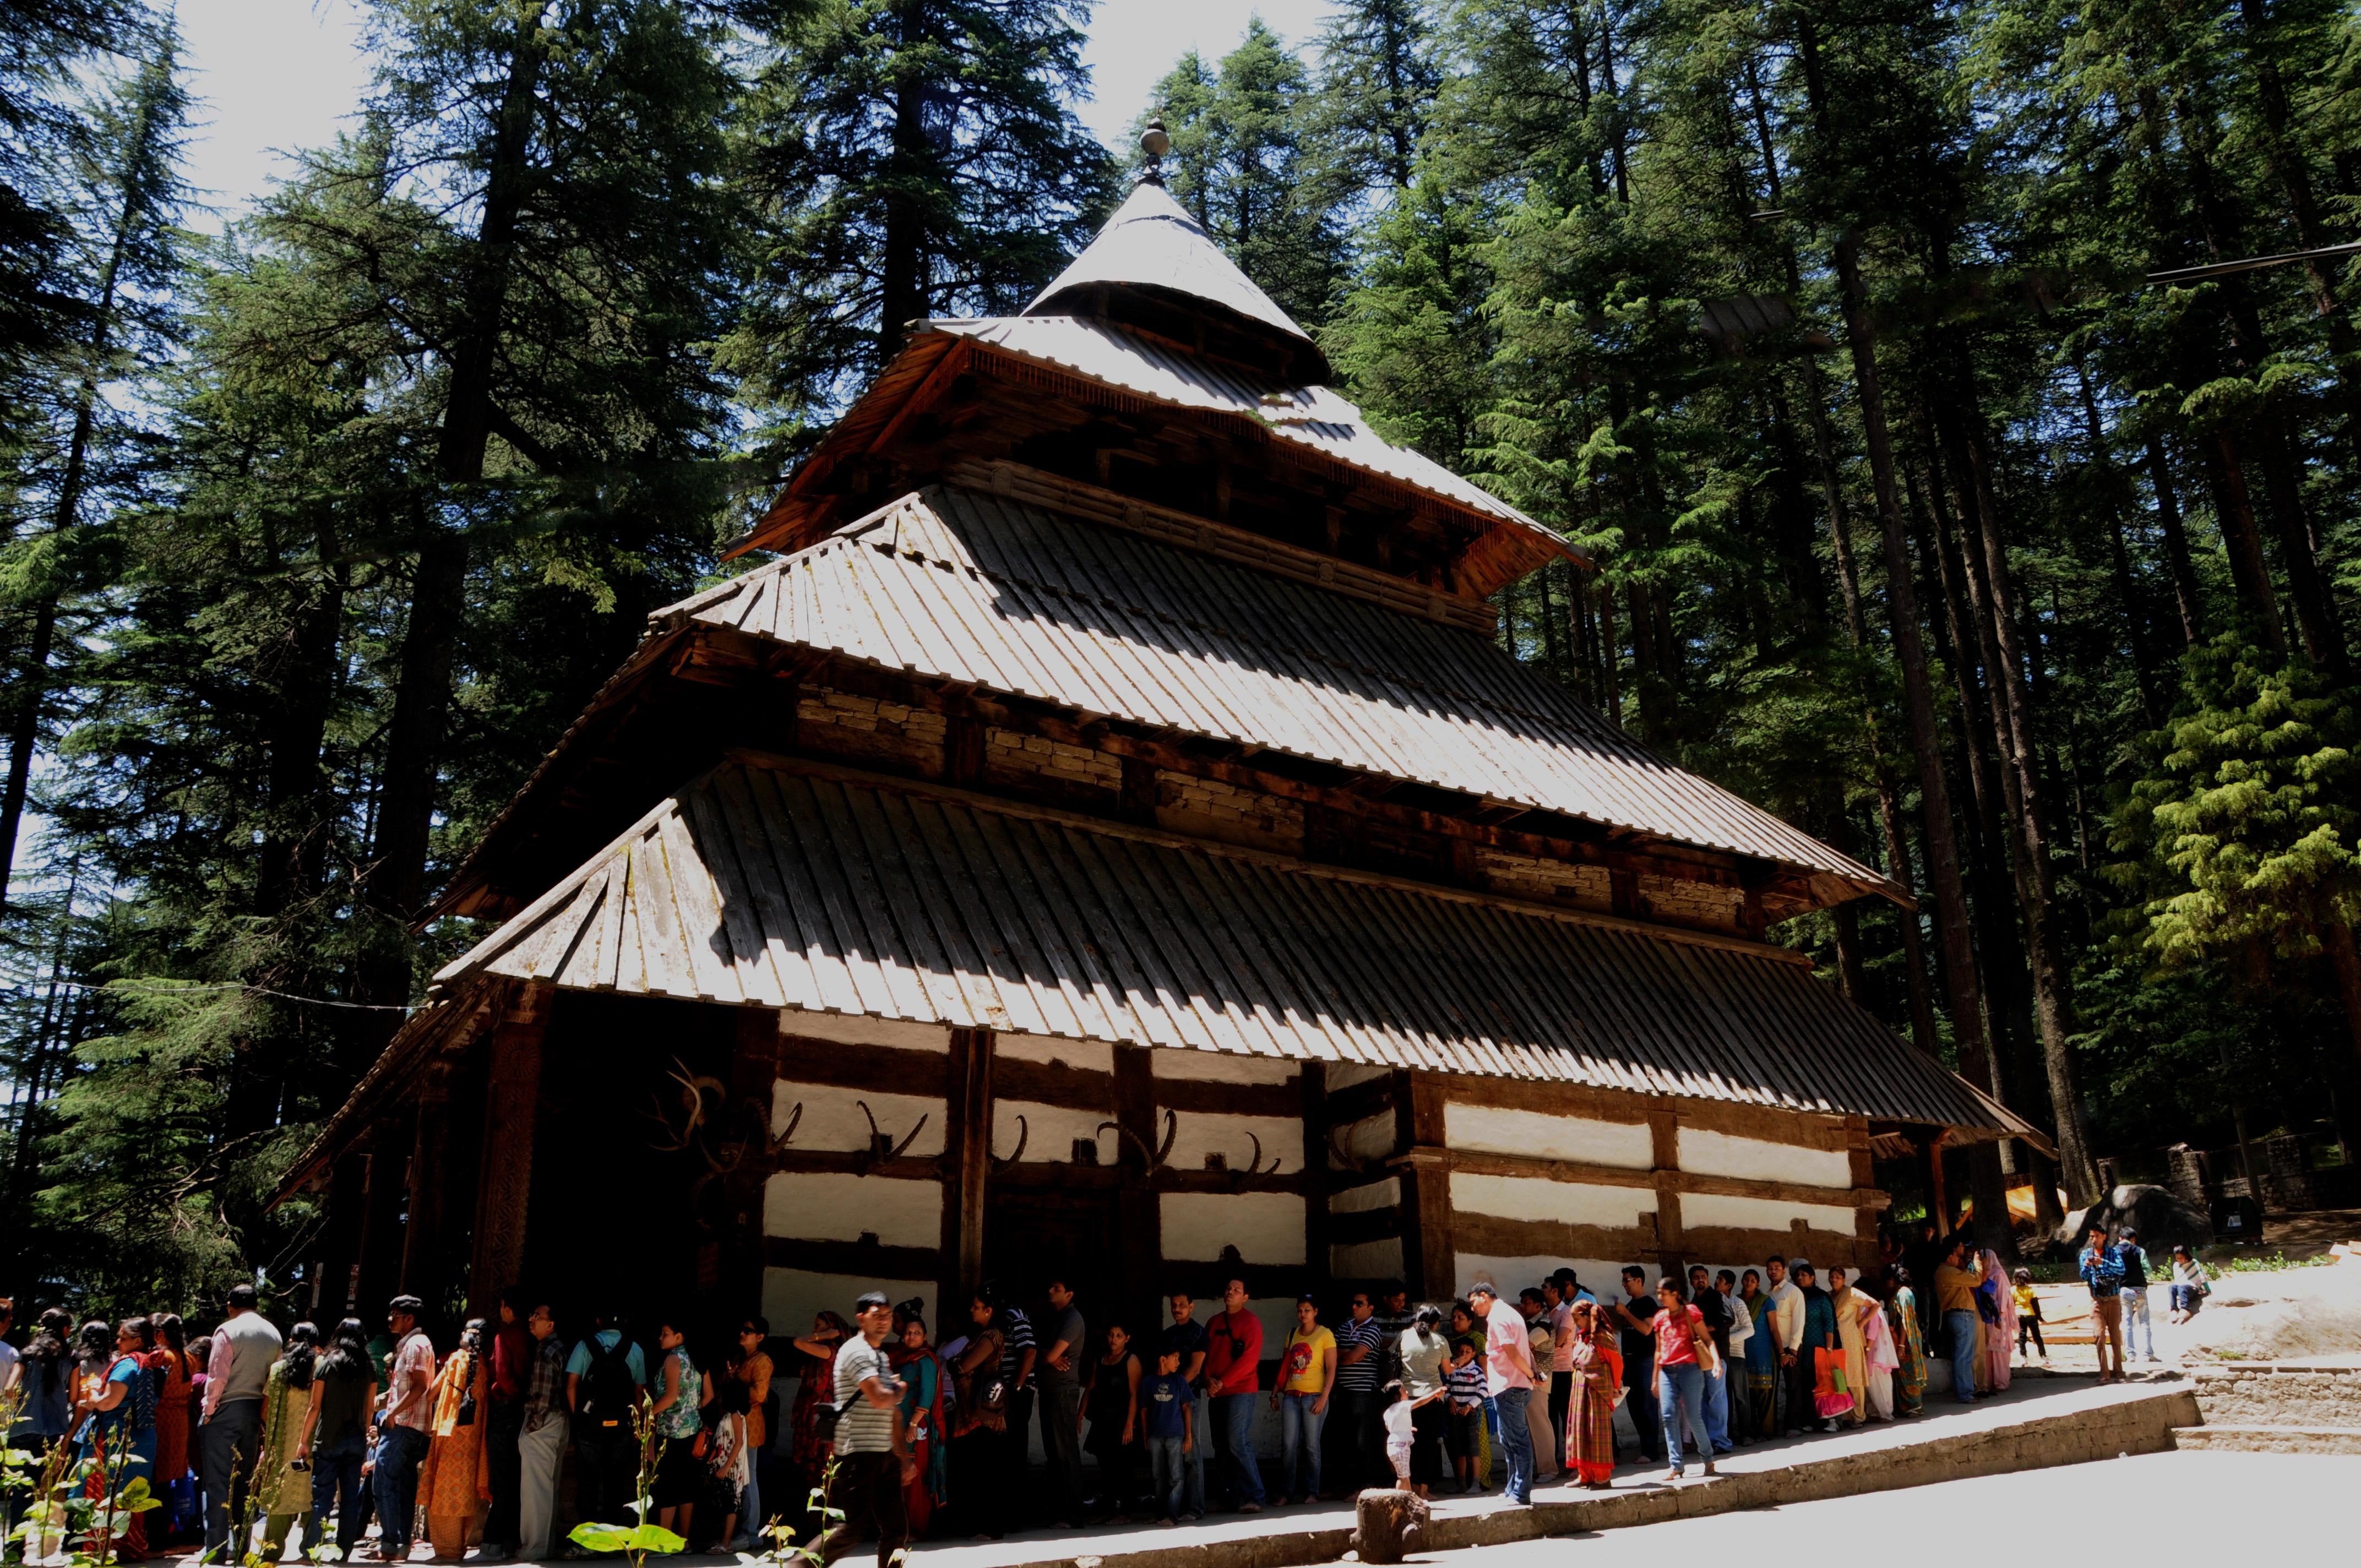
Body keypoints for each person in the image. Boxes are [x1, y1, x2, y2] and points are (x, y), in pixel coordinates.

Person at [812, 1291, 912, 1568]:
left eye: (888, 1317)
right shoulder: (856, 1351)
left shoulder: (879, 1356)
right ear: (861, 1318)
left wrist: (903, 1459)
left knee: (896, 1530)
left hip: (883, 1454)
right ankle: (799, 1566)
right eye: (876, 1316)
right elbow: (881, 1398)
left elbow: (890, 1412)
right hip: (857, 1452)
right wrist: (900, 1389)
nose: (883, 1322)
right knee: (850, 1528)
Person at [203, 1282, 284, 1564]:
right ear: (257, 1305)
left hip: (225, 1408)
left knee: (217, 1483)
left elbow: (217, 1376)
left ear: (230, 1306)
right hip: (254, 1413)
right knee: (245, 1483)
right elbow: (274, 1378)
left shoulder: (228, 1330)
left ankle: (215, 1551)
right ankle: (242, 1548)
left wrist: (209, 1411)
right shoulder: (273, 1334)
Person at [75, 1316, 160, 1562]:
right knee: (132, 1494)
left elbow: (110, 1401)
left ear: (138, 1340)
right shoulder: (153, 1363)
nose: (118, 1342)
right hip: (144, 1436)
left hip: (116, 1436)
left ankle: (98, 1548)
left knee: (103, 1491)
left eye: (123, 1338)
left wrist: (92, 1399)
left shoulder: (126, 1365)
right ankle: (130, 1548)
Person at [297, 1318, 376, 1560]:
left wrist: (303, 1441)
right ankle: (344, 1552)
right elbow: (370, 1408)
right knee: (350, 1499)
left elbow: (314, 1406)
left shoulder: (326, 1364)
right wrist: (364, 1434)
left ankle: (314, 1551)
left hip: (329, 1440)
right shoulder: (370, 1367)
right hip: (355, 1440)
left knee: (322, 1498)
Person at [416, 1318, 491, 1560]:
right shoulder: (483, 1369)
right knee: (464, 1493)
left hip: (449, 1438)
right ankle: (459, 1546)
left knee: (444, 1493)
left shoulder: (454, 1361)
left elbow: (430, 1396)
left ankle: (447, 1549)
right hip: (471, 1441)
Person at [566, 1308, 646, 1530]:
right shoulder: (636, 1349)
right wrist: (637, 1426)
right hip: (622, 1427)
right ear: (626, 1321)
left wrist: (579, 1418)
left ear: (598, 1321)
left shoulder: (584, 1346)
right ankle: (611, 1539)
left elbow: (571, 1386)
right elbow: (640, 1392)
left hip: (589, 1427)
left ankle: (588, 1538)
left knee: (587, 1482)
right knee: (615, 1483)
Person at [252, 1321, 319, 1562]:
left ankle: (271, 1552)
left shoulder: (279, 1369)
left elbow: (266, 1409)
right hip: (311, 1445)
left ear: (290, 1341)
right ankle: (310, 1551)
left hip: (283, 1449)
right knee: (313, 1495)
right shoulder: (321, 1368)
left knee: (280, 1496)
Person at [946, 1292, 1009, 1539]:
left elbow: (963, 1366)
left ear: (989, 1311)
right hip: (969, 1417)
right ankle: (975, 1526)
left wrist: (956, 1362)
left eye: (977, 1307)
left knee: (986, 1474)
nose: (972, 1310)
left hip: (985, 1417)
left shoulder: (992, 1336)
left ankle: (990, 1528)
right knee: (973, 1473)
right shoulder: (978, 1337)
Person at [1467, 1282, 1534, 1506]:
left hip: (1510, 1385)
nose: (1473, 1308)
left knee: (1517, 1442)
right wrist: (1531, 1374)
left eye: (1473, 1302)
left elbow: (1512, 1353)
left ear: (1483, 1296)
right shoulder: (1511, 1314)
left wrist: (1530, 1374)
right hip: (1514, 1385)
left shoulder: (1498, 1317)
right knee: (1510, 1441)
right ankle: (1512, 1490)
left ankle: (1520, 1493)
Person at [514, 1300, 568, 1560]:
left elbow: (542, 1396)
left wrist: (532, 1427)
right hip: (559, 1421)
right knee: (549, 1488)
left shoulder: (546, 1350)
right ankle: (543, 1546)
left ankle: (533, 1549)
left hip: (544, 1423)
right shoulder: (560, 1347)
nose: (532, 1319)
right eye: (532, 1314)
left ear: (552, 1323)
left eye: (538, 1316)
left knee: (536, 1490)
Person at [1205, 1277, 1264, 1513]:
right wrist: (1208, 1379)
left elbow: (1250, 1359)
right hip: (1216, 1391)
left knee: (1236, 1441)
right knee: (1220, 1445)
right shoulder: (1213, 1322)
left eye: (1236, 1290)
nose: (1230, 1292)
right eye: (1228, 1288)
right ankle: (1228, 1499)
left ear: (1245, 1297)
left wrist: (1222, 1381)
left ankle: (1255, 1496)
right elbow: (1204, 1355)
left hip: (1241, 1390)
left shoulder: (1251, 1323)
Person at [787, 1310, 853, 1517]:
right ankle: (816, 1525)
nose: (814, 1329)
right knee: (812, 1473)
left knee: (824, 1472)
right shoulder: (820, 1353)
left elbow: (798, 1342)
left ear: (832, 1328)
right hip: (813, 1419)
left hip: (824, 1421)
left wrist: (824, 1336)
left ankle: (827, 1524)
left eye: (818, 1325)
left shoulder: (831, 1350)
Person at [1035, 1277, 1087, 1528]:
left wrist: (1047, 1355)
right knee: (1054, 1455)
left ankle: (1073, 1515)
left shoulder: (1072, 1319)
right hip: (1049, 1392)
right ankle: (1058, 1513)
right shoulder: (1055, 1317)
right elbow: (1039, 1350)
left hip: (1063, 1394)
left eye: (1057, 1288)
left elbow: (1051, 1354)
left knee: (1066, 1453)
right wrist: (1046, 1355)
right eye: (1051, 1286)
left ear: (1070, 1294)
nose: (1050, 1291)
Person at [1650, 1278, 1715, 1482]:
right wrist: (1654, 1379)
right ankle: (1676, 1466)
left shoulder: (1691, 1312)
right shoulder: (1660, 1318)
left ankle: (1708, 1459)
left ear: (1675, 1294)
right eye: (1659, 1293)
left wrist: (1717, 1363)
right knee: (1668, 1416)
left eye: (1664, 1293)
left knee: (1693, 1417)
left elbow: (1707, 1339)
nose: (1660, 1297)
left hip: (1690, 1370)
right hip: (1667, 1372)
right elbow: (1658, 1350)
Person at [1272, 1295, 1334, 1506]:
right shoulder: (1292, 1334)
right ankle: (1286, 1493)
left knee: (1311, 1447)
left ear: (1316, 1312)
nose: (1303, 1314)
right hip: (1291, 1396)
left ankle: (1312, 1492)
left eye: (1307, 1310)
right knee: (1288, 1445)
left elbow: (1332, 1368)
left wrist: (1324, 1397)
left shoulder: (1325, 1334)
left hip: (1313, 1397)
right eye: (1300, 1310)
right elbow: (1285, 1367)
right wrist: (1275, 1393)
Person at [484, 1288, 531, 1561]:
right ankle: (509, 1542)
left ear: (507, 1308)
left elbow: (503, 1377)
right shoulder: (531, 1335)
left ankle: (492, 1543)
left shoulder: (506, 1336)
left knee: (501, 1481)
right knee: (516, 1480)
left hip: (506, 1409)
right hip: (524, 1410)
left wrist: (507, 1394)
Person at [646, 1315, 704, 1540]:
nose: (661, 1338)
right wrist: (689, 1410)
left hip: (670, 1431)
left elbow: (670, 1396)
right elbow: (706, 1396)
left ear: (679, 1337)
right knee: (686, 1487)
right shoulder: (696, 1358)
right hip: (692, 1429)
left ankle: (664, 1540)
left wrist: (648, 1414)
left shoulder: (673, 1359)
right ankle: (684, 1538)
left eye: (665, 1334)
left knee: (667, 1486)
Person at [890, 1311, 946, 1536]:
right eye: (908, 1333)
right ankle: (898, 1528)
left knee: (915, 1480)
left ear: (925, 1337)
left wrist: (913, 1425)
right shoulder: (901, 1360)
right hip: (898, 1428)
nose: (911, 1336)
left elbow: (927, 1395)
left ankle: (917, 1527)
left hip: (917, 1429)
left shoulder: (926, 1361)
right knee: (898, 1477)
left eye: (917, 1333)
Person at [1079, 1321, 1140, 1519]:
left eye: (1119, 1336)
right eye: (1111, 1335)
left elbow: (1134, 1394)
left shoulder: (1131, 1360)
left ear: (1127, 1338)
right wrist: (1080, 1415)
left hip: (1122, 1420)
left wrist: (1130, 1425)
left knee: (1122, 1465)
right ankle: (1108, 1507)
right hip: (1102, 1420)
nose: (1114, 1340)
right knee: (1105, 1465)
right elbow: (1090, 1387)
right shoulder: (1102, 1358)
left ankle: (1126, 1510)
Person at [145, 1314, 195, 1545]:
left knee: (155, 1478)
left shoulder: (160, 1356)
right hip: (180, 1422)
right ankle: (165, 1531)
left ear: (161, 1334)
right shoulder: (189, 1358)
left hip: (160, 1420)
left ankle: (152, 1535)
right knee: (167, 1480)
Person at [1159, 1292, 1209, 1521]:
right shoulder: (1167, 1335)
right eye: (1174, 1305)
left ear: (1191, 1306)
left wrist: (1175, 1391)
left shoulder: (1199, 1333)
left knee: (1191, 1452)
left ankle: (1195, 1508)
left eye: (1182, 1305)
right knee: (1169, 1453)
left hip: (1189, 1399)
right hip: (1166, 1401)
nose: (1177, 1308)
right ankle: (1173, 1507)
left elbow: (1195, 1368)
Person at [1562, 1299, 1620, 1490]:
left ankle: (1603, 1479)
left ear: (1588, 1316)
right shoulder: (1580, 1337)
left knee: (1597, 1432)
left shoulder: (1603, 1338)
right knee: (1579, 1430)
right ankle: (1585, 1475)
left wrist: (1616, 1386)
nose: (1575, 1322)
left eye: (1576, 1318)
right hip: (1580, 1388)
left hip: (1598, 1389)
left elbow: (1616, 1363)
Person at [727, 1316, 775, 1548]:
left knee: (749, 1479)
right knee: (740, 1478)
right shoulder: (740, 1359)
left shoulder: (762, 1361)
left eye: (749, 1331)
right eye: (742, 1329)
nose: (743, 1333)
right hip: (735, 1423)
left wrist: (734, 1387)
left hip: (750, 1425)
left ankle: (751, 1532)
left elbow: (759, 1394)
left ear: (760, 1337)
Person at [1329, 1290, 1383, 1496]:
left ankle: (1364, 1487)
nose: (1354, 1307)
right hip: (1342, 1392)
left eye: (1359, 1304)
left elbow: (1351, 1357)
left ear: (1370, 1308)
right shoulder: (1345, 1327)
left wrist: (1347, 1355)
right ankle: (1344, 1487)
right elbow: (1331, 1354)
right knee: (1342, 1441)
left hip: (1363, 1393)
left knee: (1362, 1442)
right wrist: (1348, 1355)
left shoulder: (1373, 1330)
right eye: (1354, 1303)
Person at [1397, 1305, 1451, 1499]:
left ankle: (1408, 1487)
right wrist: (1459, 1362)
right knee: (1428, 1445)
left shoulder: (1404, 1336)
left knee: (1408, 1445)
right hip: (1433, 1397)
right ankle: (1424, 1490)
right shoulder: (1440, 1341)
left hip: (1408, 1399)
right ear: (1436, 1323)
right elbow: (1448, 1370)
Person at [1137, 1345, 1193, 1526]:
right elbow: (1144, 1411)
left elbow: (1186, 1409)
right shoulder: (1148, 1383)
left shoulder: (1179, 1381)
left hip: (1175, 1436)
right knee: (1158, 1476)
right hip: (1155, 1436)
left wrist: (1189, 1436)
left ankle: (1173, 1515)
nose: (1178, 1362)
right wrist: (1145, 1437)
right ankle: (1159, 1514)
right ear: (1163, 1360)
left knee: (1176, 1476)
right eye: (1174, 1358)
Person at [1610, 1267, 1660, 1463]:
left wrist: (1626, 1314)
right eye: (1623, 1280)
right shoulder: (1629, 1305)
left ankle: (1651, 1452)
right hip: (1629, 1361)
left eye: (1627, 1280)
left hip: (1645, 1361)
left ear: (1639, 1281)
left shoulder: (1648, 1303)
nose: (1624, 1284)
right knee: (1635, 1408)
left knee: (1647, 1407)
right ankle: (1645, 1448)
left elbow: (1647, 1330)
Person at [700, 1377, 754, 1553]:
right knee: (724, 1502)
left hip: (730, 1468)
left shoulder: (736, 1416)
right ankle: (722, 1539)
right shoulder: (729, 1415)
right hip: (724, 1466)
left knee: (731, 1503)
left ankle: (726, 1543)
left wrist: (726, 1467)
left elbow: (738, 1443)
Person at [1684, 1266, 1734, 1451]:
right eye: (1696, 1278)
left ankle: (1722, 1442)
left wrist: (1706, 1330)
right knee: (1703, 1400)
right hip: (1699, 1357)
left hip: (1717, 1355)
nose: (1701, 1280)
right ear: (1691, 1282)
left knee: (1716, 1399)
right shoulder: (1694, 1302)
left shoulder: (1717, 1297)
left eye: (1703, 1277)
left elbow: (1729, 1319)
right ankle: (1709, 1443)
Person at [1935, 1238, 1987, 1402]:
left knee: (1964, 1355)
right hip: (1962, 1316)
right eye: (1957, 1257)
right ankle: (1965, 1394)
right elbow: (1976, 1281)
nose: (1960, 1259)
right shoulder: (1948, 1272)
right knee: (1964, 1357)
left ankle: (1965, 1392)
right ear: (1950, 1257)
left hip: (1961, 1316)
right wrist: (1978, 1264)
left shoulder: (1949, 1272)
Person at [1516, 1289, 1559, 1479]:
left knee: (1540, 1425)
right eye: (1522, 1302)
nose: (1523, 1306)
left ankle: (1549, 1469)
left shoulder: (1544, 1325)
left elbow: (1525, 1347)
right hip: (1528, 1380)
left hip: (1539, 1381)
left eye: (1526, 1303)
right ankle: (1540, 1467)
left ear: (1537, 1305)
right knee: (1531, 1426)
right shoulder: (1528, 1324)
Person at [2077, 1226, 2127, 1385]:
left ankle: (2119, 1372)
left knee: (2115, 1337)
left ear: (2104, 1237)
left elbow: (2121, 1270)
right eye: (2092, 1236)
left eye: (2097, 1236)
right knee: (2099, 1336)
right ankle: (2104, 1372)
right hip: (2097, 1301)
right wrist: (2086, 1266)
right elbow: (2083, 1276)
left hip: (2113, 1300)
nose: (2094, 1239)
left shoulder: (2113, 1253)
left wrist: (2103, 1262)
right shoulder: (2086, 1254)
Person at [1762, 1256, 1805, 1436]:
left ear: (1784, 1271)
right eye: (1770, 1268)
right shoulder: (1767, 1294)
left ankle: (1792, 1426)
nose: (1773, 1271)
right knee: (1769, 1388)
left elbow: (1799, 1321)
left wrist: (1794, 1348)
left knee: (1793, 1387)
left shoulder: (1793, 1292)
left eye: (1777, 1268)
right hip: (1771, 1348)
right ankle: (1770, 1428)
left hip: (1790, 1347)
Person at [1880, 1265, 1928, 1417]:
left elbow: (1905, 1322)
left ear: (1892, 1280)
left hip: (1906, 1340)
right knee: (1900, 1372)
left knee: (1909, 1372)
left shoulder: (1904, 1294)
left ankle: (1914, 1407)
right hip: (1900, 1339)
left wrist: (1901, 1345)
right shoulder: (1900, 1293)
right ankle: (1905, 1406)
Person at [1826, 1266, 1869, 1427]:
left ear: (1844, 1280)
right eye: (1831, 1277)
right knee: (1840, 1378)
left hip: (1851, 1340)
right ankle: (1845, 1416)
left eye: (1837, 1277)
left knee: (1854, 1378)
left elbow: (1874, 1305)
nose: (1834, 1280)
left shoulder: (1852, 1293)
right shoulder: (1829, 1296)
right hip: (1836, 1341)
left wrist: (1862, 1323)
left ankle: (1859, 1416)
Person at [1740, 1271, 1781, 1439]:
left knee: (1765, 1392)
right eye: (1747, 1280)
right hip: (1743, 1352)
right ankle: (1749, 1431)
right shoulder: (1736, 1301)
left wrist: (1783, 1352)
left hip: (1763, 1351)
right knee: (1747, 1394)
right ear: (1742, 1281)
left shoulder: (1766, 1301)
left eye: (1753, 1281)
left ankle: (1766, 1431)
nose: (1749, 1283)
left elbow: (1774, 1328)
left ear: (1757, 1284)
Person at [1441, 1339, 1484, 1493]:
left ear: (1473, 1354)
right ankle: (1461, 1484)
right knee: (1458, 1450)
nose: (1464, 1355)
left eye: (1468, 1352)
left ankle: (1476, 1484)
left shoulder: (1477, 1371)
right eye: (1461, 1352)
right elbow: (1447, 1388)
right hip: (1455, 1414)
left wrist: (1469, 1406)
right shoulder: (1453, 1371)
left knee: (1473, 1449)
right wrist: (1450, 1399)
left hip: (1470, 1414)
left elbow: (1484, 1391)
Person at [1716, 1271, 1753, 1446]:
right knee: (1724, 1398)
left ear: (1729, 1285)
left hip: (1736, 1355)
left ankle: (1747, 1434)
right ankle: (1727, 1435)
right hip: (1720, 1357)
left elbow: (1749, 1329)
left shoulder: (1738, 1303)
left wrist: (1728, 1341)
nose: (1717, 1282)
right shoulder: (1715, 1303)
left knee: (1741, 1397)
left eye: (1720, 1280)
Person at [2117, 1227, 2158, 1363]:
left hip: (2124, 1291)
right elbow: (2147, 1269)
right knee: (2144, 1320)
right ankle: (2147, 1354)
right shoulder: (2140, 1251)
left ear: (2120, 1238)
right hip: (2139, 1290)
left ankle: (2130, 1355)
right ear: (2133, 1239)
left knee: (2127, 1321)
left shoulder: (2114, 1251)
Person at [2011, 1268, 2048, 1364]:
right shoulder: (2030, 1291)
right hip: (2031, 1315)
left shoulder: (2013, 1290)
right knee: (2037, 1337)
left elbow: (2011, 1304)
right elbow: (2036, 1305)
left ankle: (2023, 1357)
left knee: (2022, 1336)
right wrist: (2040, 1318)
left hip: (2019, 1315)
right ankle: (2043, 1356)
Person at [2169, 1246, 2209, 1324]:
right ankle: (2174, 1310)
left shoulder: (2194, 1263)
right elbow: (2177, 1280)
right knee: (2172, 1288)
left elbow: (2202, 1275)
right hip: (2182, 1288)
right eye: (2178, 1258)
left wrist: (2207, 1289)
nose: (2179, 1260)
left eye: (2181, 1257)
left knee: (2182, 1288)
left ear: (2186, 1256)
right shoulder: (2176, 1266)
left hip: (2193, 1288)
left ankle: (2185, 1309)